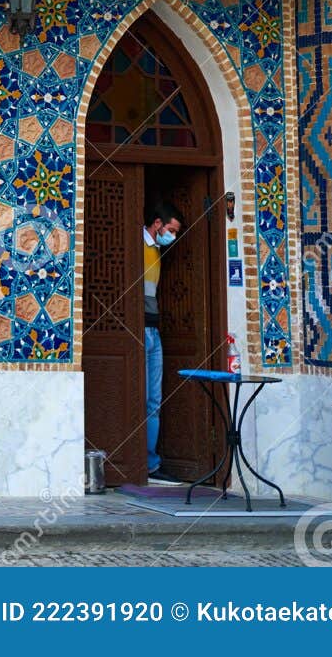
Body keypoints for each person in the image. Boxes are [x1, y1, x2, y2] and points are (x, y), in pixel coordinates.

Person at [143, 198, 182, 481]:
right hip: (137, 330)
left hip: (153, 331)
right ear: (157, 224)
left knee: (154, 400)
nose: (173, 236)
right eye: (171, 229)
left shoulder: (156, 251)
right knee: (140, 397)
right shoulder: (134, 244)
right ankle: (138, 462)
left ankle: (151, 463)